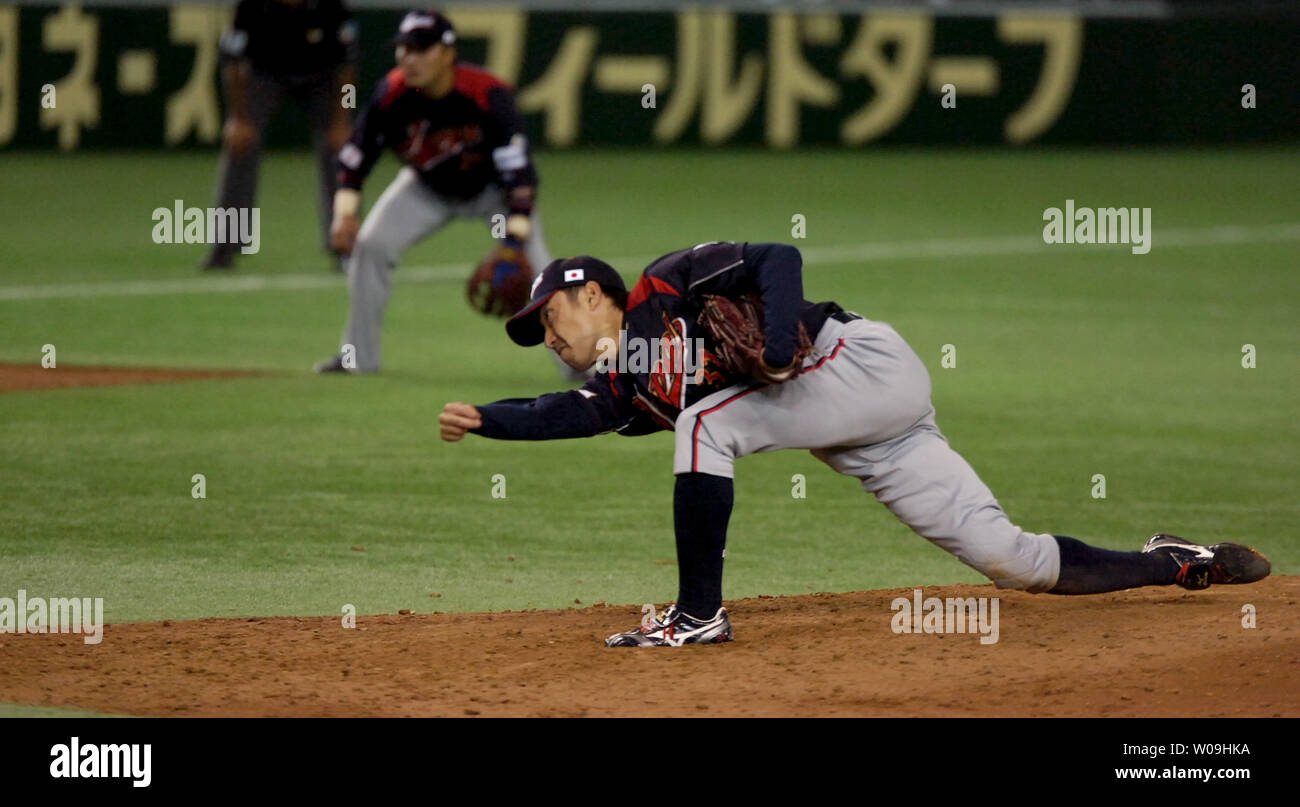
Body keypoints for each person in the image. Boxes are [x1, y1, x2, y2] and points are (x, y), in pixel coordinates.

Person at [437, 241, 1272, 647]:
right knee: (1014, 560)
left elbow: (777, 256)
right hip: (867, 433)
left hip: (857, 358)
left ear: (589, 294)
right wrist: (489, 417)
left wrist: (770, 346)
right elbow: (574, 411)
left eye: (547, 317)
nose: (546, 335)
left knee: (705, 424)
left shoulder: (666, 284)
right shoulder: (629, 386)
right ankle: (1175, 560)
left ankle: (697, 616)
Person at [314, 9, 552, 375]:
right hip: (426, 189)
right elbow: (353, 160)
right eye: (404, 49)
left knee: (539, 270)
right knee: (371, 247)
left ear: (448, 53)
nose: (410, 58)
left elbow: (520, 177)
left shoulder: (488, 94)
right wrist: (345, 213)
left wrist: (514, 241)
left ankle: (581, 368)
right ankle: (358, 359)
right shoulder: (392, 94)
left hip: (493, 193)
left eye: (421, 49)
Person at [205, 0, 358, 272]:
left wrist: (342, 120)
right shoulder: (253, 6)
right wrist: (238, 119)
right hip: (265, 74)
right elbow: (233, 64)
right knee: (240, 144)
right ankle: (224, 246)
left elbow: (348, 71)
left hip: (321, 78)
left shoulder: (331, 6)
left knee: (342, 151)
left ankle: (344, 246)